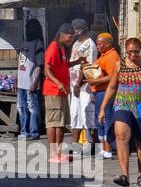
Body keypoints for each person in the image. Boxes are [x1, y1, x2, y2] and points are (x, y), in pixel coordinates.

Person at [100, 37, 141, 187]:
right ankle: (124, 175)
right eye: (129, 52)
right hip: (122, 103)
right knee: (121, 136)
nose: (132, 55)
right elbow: (112, 87)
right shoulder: (119, 65)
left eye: (135, 52)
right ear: (125, 51)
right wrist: (102, 108)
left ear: (140, 50)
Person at [42, 24, 74, 165]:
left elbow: (62, 66)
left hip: (61, 90)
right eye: (69, 35)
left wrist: (78, 62)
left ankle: (58, 153)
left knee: (60, 123)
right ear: (61, 34)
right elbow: (47, 70)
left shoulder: (62, 48)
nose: (71, 39)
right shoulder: (53, 47)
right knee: (54, 123)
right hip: (53, 91)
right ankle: (53, 154)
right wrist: (58, 83)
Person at [86, 33, 121, 159]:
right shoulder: (103, 55)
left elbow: (113, 76)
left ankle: (108, 148)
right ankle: (103, 148)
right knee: (99, 121)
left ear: (108, 44)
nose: (98, 46)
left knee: (106, 119)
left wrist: (96, 82)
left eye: (100, 43)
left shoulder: (112, 56)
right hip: (99, 91)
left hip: (106, 91)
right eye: (97, 43)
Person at [67, 19, 97, 153]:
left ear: (79, 30)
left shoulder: (89, 45)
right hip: (74, 86)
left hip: (84, 86)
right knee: (75, 115)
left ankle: (92, 146)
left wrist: (79, 84)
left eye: (74, 29)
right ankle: (75, 145)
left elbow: (87, 66)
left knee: (88, 116)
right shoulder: (76, 44)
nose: (72, 32)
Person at [16, 19, 44, 140]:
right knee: (21, 108)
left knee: (32, 108)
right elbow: (20, 64)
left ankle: (34, 132)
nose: (29, 30)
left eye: (32, 27)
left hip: (30, 82)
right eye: (28, 27)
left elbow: (39, 65)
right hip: (21, 83)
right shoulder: (23, 43)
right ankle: (24, 131)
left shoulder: (38, 44)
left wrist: (35, 82)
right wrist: (17, 80)